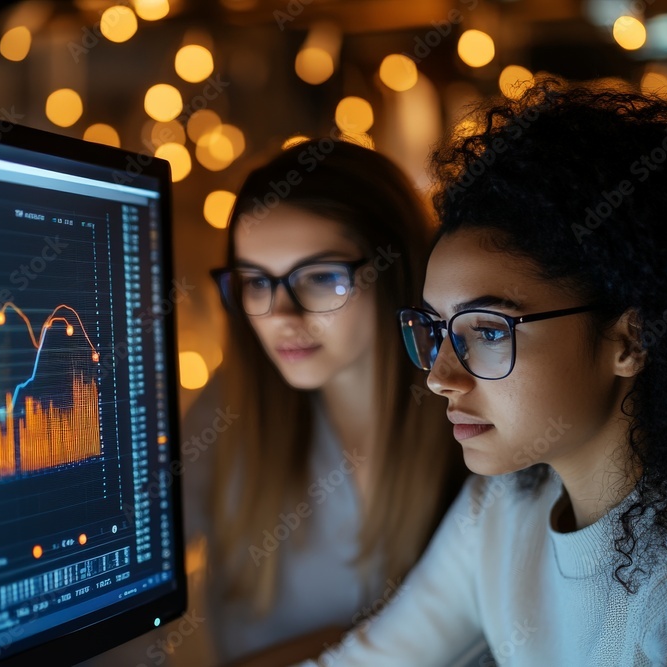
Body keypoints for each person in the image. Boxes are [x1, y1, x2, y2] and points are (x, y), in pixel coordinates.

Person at [292, 79, 667, 666]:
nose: (441, 376)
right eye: (436, 330)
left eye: (489, 332)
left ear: (629, 339)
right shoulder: (501, 507)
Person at [181, 139, 469, 665]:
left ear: (393, 269)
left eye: (319, 278)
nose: (281, 316)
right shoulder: (228, 405)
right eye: (254, 282)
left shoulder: (468, 406)